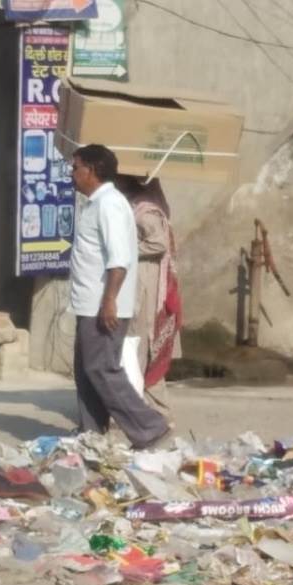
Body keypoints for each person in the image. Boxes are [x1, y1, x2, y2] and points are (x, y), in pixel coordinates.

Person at [68, 144, 171, 450]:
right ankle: (91, 435)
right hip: (89, 302)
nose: (72, 174)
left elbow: (119, 258)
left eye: (76, 168)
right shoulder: (95, 203)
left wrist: (109, 300)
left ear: (92, 171)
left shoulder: (109, 204)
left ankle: (149, 427)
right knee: (86, 371)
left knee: (102, 368)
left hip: (103, 303)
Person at [117, 176, 182, 423]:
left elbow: (158, 244)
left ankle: (151, 412)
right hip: (138, 283)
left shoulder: (146, 212)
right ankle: (146, 409)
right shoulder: (137, 208)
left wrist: (125, 248)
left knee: (139, 349)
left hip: (146, 287)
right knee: (137, 350)